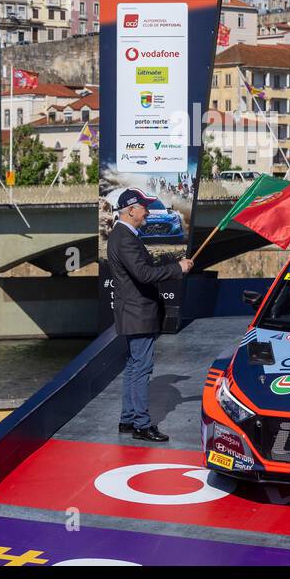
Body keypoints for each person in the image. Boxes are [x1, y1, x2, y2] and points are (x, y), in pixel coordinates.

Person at [107, 189, 192, 443]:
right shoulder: (125, 238)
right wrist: (178, 267)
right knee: (141, 368)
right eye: (143, 207)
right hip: (138, 312)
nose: (147, 211)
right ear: (130, 210)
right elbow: (143, 274)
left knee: (134, 366)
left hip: (134, 312)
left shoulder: (123, 235)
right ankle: (142, 425)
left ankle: (128, 419)